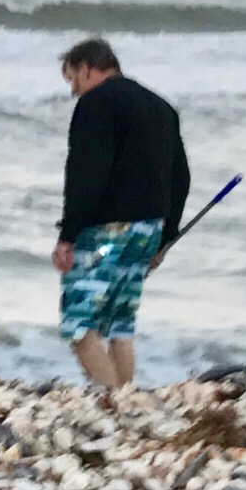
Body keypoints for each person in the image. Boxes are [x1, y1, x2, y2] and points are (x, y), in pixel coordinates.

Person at [56, 38, 189, 391]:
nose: (73, 90)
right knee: (120, 325)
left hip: (105, 235)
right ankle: (127, 400)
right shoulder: (162, 108)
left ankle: (115, 402)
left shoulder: (96, 104)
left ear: (87, 67)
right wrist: (165, 237)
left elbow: (86, 174)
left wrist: (68, 236)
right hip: (148, 231)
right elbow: (181, 179)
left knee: (79, 325)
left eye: (73, 79)